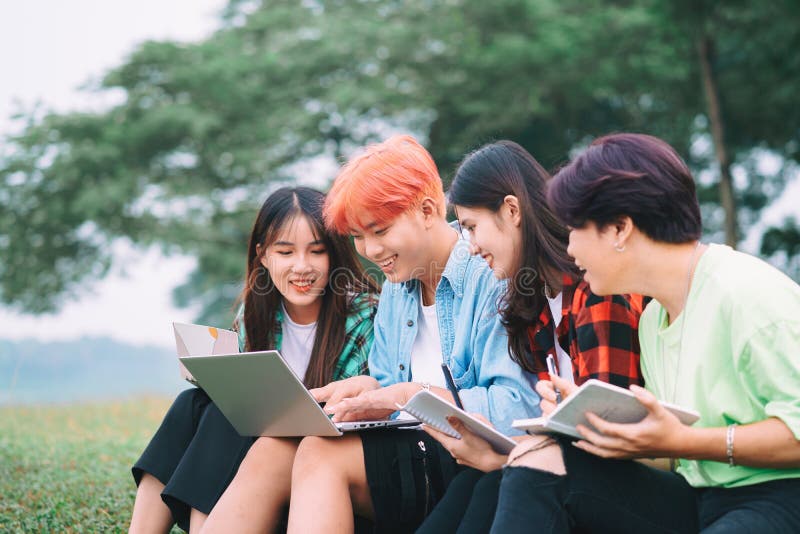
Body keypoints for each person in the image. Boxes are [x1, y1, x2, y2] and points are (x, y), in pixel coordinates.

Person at [489, 133, 800, 533]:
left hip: (781, 497)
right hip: (696, 497)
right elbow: (667, 457)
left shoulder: (746, 294)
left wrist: (684, 443)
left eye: (575, 229)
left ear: (620, 228)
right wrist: (590, 421)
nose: (570, 248)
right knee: (541, 457)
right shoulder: (655, 319)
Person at [267, 134, 539, 533]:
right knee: (287, 447)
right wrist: (367, 390)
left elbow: (515, 407)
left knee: (320, 455)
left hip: (468, 459)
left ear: (428, 209)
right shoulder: (397, 286)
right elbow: (392, 385)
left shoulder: (491, 272)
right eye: (357, 236)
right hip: (417, 447)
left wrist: (410, 396)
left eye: (379, 230)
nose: (370, 250)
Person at [415, 140, 647, 533]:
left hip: (620, 487)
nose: (470, 248)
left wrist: (503, 461)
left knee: (496, 479)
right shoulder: (536, 309)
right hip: (556, 475)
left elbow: (611, 445)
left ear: (512, 209)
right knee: (477, 485)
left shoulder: (596, 293)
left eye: (472, 228)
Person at [128, 187, 379, 533]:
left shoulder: (362, 315)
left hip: (317, 458)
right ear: (263, 255)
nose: (301, 267)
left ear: (333, 255)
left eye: (316, 251)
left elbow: (353, 417)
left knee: (221, 415)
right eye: (285, 252)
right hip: (253, 458)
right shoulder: (258, 312)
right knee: (195, 403)